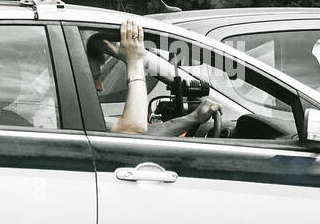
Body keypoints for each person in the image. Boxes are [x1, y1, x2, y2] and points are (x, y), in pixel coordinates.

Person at [86, 18, 221, 136]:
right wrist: (134, 62)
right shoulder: (72, 118)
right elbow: (134, 130)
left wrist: (194, 118)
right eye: (94, 78)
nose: (100, 87)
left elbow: (142, 135)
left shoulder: (80, 120)